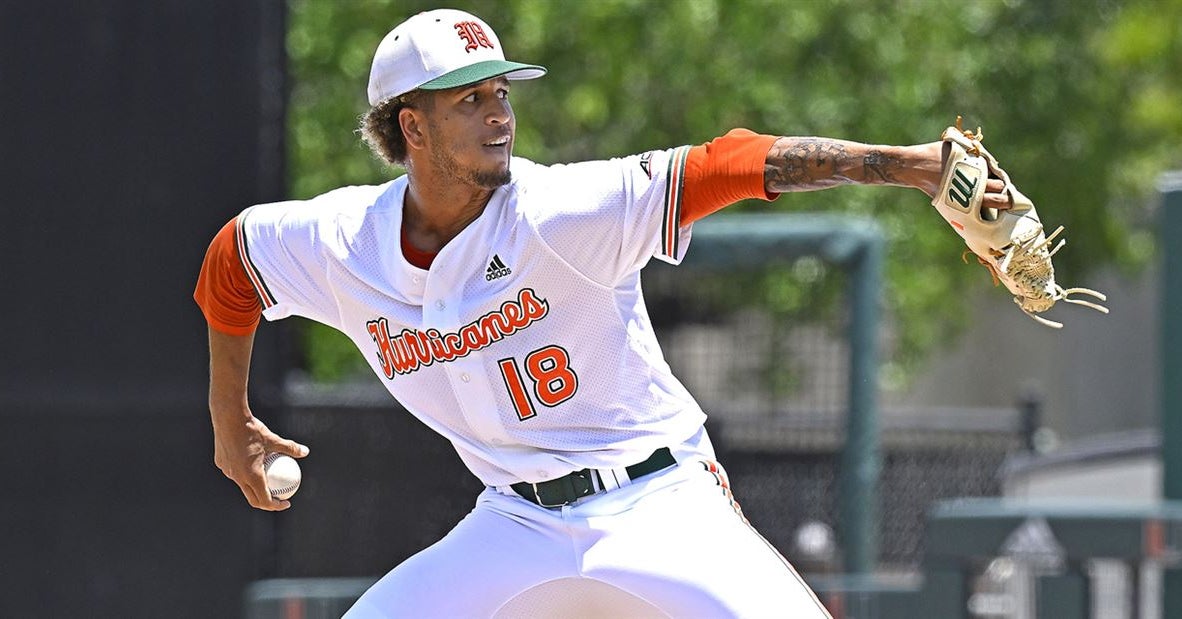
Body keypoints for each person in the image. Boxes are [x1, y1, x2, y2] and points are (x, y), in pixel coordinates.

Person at [194, 8, 1014, 618]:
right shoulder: (344, 242)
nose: (499, 113)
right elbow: (231, 262)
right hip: (514, 517)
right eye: (470, 99)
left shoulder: (558, 211)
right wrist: (229, 420)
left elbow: (728, 163)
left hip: (657, 498)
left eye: (501, 92)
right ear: (412, 124)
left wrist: (906, 164)